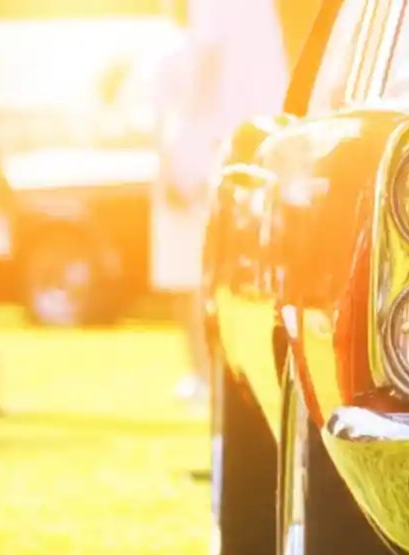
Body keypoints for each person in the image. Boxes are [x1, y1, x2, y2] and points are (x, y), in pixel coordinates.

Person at [151, 0, 290, 404]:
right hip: (235, 143)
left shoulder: (194, 40)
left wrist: (185, 151)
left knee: (198, 274)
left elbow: (200, 84)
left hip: (204, 148)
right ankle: (212, 372)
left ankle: (211, 371)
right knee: (201, 274)